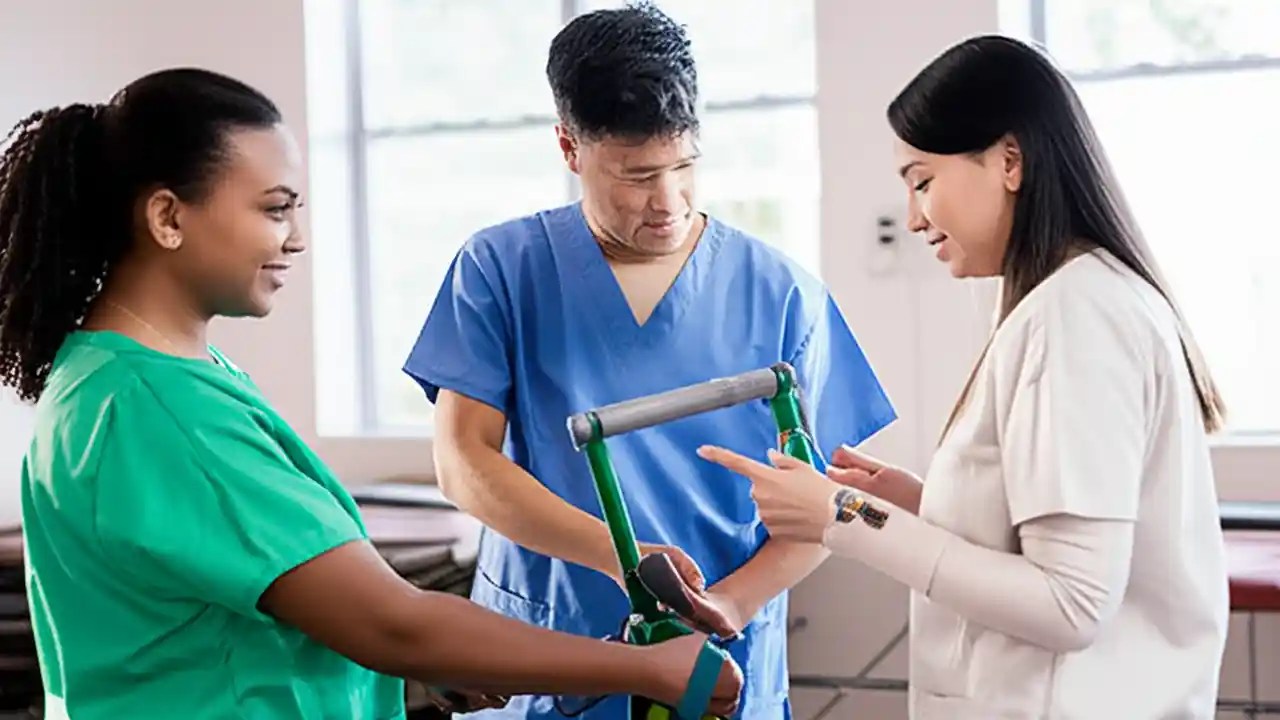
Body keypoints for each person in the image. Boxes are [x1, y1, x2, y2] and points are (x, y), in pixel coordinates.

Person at [0, 67, 744, 720]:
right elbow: (392, 622)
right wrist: (649, 667)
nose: (295, 237)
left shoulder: (125, 377)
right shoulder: (156, 408)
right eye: (273, 208)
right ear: (167, 217)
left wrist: (434, 663)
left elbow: (304, 607)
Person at [698, 34, 1231, 719]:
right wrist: (930, 503)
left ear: (1009, 160)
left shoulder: (1075, 314)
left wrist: (845, 516)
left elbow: (1072, 604)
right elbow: (1048, 539)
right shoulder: (1072, 301)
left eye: (923, 181)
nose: (914, 217)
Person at [403, 4, 896, 719]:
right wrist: (625, 560)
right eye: (635, 177)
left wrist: (731, 600)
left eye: (683, 166)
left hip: (722, 666)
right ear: (569, 149)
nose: (668, 201)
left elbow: (833, 505)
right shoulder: (501, 271)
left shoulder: (784, 295)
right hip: (547, 652)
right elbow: (463, 464)